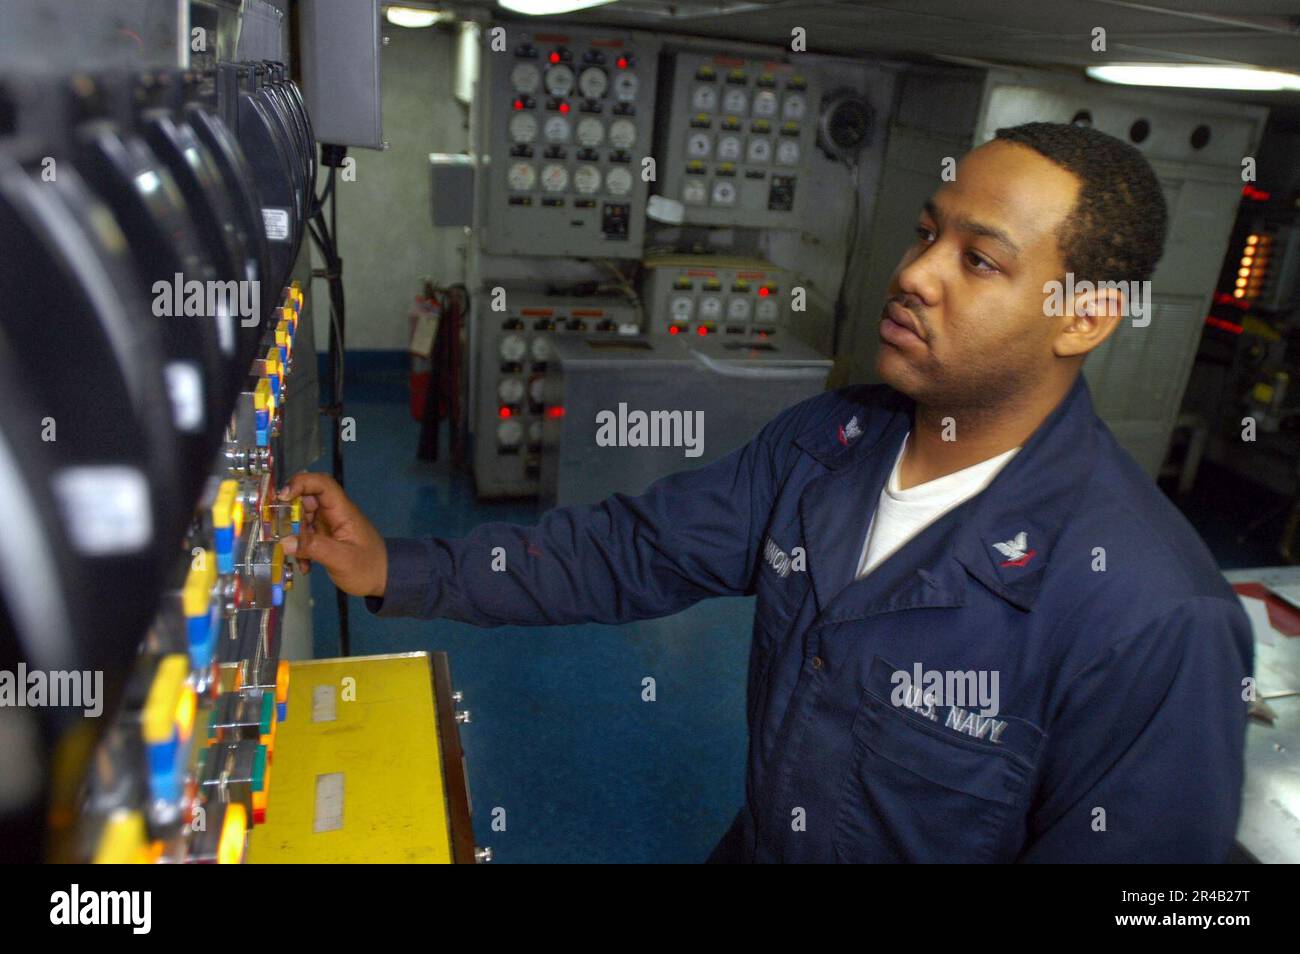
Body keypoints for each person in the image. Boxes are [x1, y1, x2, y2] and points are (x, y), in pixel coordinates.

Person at [280, 121, 1253, 863]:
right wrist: (398, 564)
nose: (912, 274)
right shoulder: (829, 444)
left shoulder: (1152, 615)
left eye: (978, 260)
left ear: (1083, 318)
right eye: (925, 235)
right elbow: (627, 551)